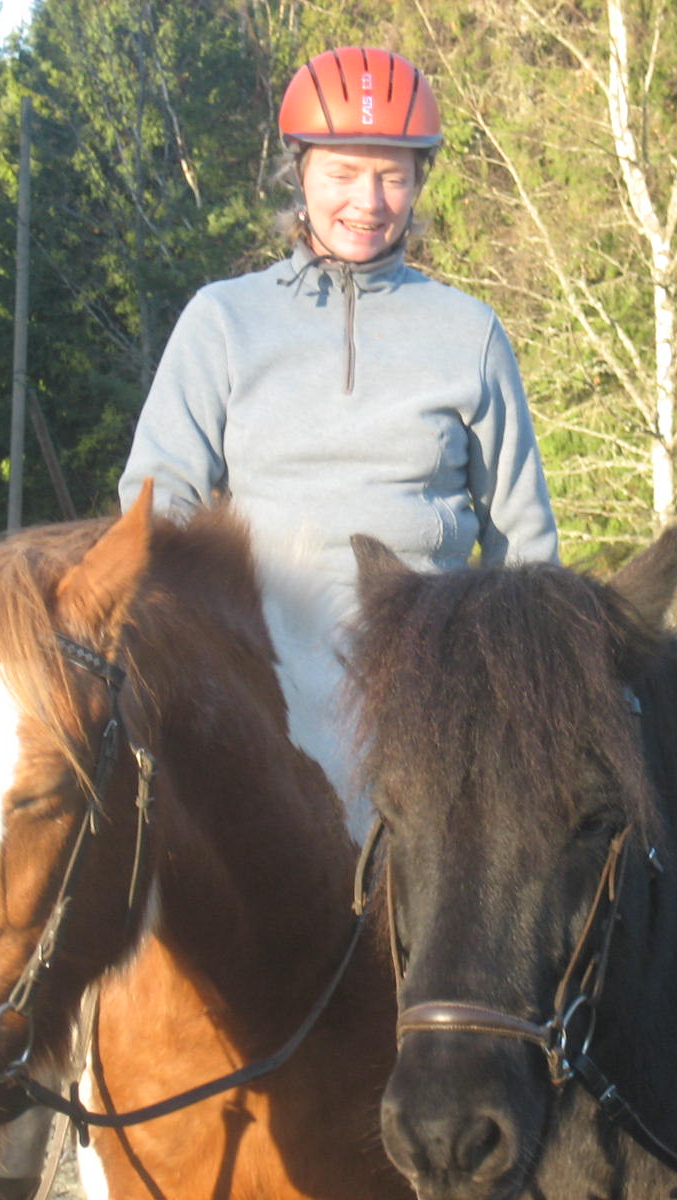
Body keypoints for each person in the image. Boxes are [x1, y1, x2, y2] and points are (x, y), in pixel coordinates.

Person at [119, 46, 559, 835]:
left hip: (428, 703)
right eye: (343, 173)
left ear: (420, 181)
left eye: (392, 174)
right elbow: (157, 510)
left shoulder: (471, 335)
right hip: (262, 695)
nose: (368, 200)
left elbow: (523, 545)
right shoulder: (223, 322)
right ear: (300, 171)